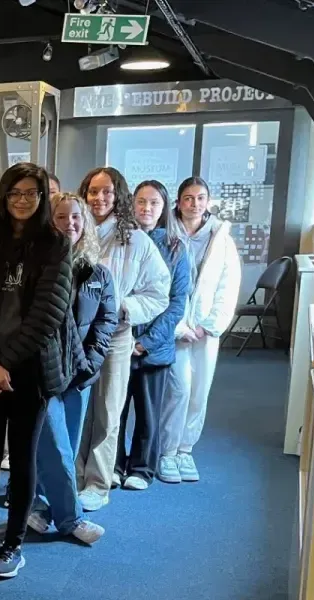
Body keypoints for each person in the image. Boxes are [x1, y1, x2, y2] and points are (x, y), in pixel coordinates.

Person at [0, 163, 72, 579]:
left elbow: (48, 314)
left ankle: (13, 544)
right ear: (3, 196)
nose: (22, 200)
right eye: (14, 193)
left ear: (42, 198)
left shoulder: (56, 244)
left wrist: (4, 363)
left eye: (31, 193)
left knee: (23, 458)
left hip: (29, 370)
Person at [73, 166, 170, 512]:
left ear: (119, 197)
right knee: (76, 410)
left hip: (114, 337)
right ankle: (72, 476)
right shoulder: (73, 229)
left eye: (107, 192)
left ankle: (98, 483)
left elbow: (159, 292)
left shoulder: (136, 240)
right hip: (76, 337)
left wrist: (121, 308)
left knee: (108, 410)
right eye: (93, 191)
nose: (99, 198)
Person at [26, 192, 113, 545]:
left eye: (75, 216)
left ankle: (42, 507)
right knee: (55, 446)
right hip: (45, 373)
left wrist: (91, 363)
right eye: (60, 217)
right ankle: (71, 518)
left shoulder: (97, 272)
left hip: (80, 374)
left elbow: (106, 321)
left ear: (85, 222)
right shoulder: (36, 267)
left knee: (67, 447)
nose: (69, 223)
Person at [160, 176, 241, 483]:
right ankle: (167, 451)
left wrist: (211, 324)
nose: (194, 204)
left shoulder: (221, 237)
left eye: (200, 198)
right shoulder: (167, 233)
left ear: (208, 202)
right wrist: (178, 325)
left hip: (206, 329)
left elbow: (228, 284)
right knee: (178, 389)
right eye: (188, 198)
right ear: (179, 201)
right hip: (175, 327)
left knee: (199, 391)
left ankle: (185, 449)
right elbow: (159, 282)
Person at [116, 181, 191, 491]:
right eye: (141, 201)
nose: (146, 208)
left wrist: (145, 342)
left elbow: (176, 303)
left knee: (148, 414)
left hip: (154, 347)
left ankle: (142, 468)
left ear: (164, 208)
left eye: (154, 203)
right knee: (114, 411)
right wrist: (123, 338)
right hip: (119, 341)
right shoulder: (120, 239)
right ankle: (114, 465)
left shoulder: (175, 248)